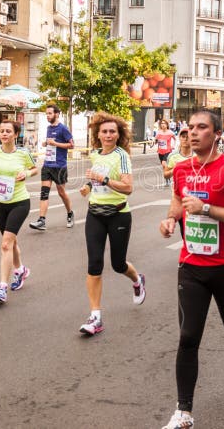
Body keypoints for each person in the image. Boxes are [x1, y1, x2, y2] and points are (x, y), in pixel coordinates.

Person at [158, 110, 224, 429]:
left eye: (202, 127)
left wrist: (208, 209)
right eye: (190, 128)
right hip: (191, 264)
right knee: (188, 336)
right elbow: (178, 199)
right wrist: (172, 218)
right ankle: (184, 411)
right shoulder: (182, 169)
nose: (194, 133)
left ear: (216, 134)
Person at [77, 112, 146, 336]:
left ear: (118, 135)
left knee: (118, 264)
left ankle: (137, 279)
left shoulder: (122, 156)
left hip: (118, 215)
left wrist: (103, 180)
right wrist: (88, 186)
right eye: (104, 131)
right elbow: (95, 178)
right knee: (94, 265)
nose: (108, 135)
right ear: (97, 134)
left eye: (112, 132)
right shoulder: (95, 155)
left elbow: (128, 187)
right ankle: (95, 316)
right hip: (95, 214)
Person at [0, 120, 38, 303]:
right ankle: (21, 270)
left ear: (15, 134)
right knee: (10, 241)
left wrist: (26, 174)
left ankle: (2, 287)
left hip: (19, 202)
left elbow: (35, 168)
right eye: (1, 131)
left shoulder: (23, 153)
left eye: (8, 131)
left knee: (5, 244)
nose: (4, 134)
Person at [29, 104, 75, 231]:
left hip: (59, 166)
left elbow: (72, 145)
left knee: (61, 193)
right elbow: (51, 143)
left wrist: (55, 143)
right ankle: (41, 220)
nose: (47, 116)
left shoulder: (63, 129)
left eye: (50, 113)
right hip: (47, 165)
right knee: (44, 193)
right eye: (46, 114)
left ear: (57, 114)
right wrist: (45, 143)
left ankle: (70, 213)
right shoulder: (49, 128)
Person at [155, 119, 177, 186]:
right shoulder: (158, 132)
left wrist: (173, 146)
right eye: (161, 123)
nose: (163, 125)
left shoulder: (170, 132)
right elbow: (156, 140)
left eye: (164, 123)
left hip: (168, 151)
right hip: (160, 151)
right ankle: (168, 178)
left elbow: (175, 139)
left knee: (164, 163)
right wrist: (155, 141)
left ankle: (169, 178)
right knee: (164, 166)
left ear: (167, 125)